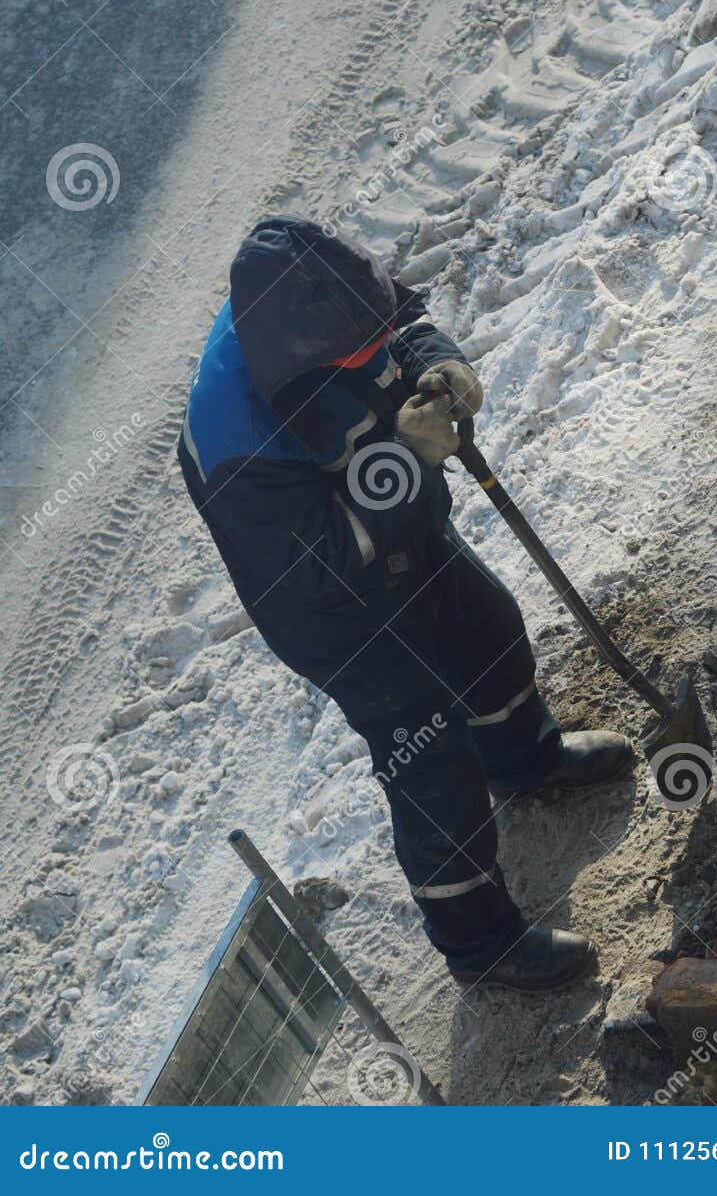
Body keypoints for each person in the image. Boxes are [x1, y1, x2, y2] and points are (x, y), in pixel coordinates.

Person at [177, 216, 633, 991]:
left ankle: (524, 762)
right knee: (429, 755)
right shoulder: (235, 440)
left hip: (405, 533)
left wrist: (439, 364)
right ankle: (480, 945)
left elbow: (406, 323)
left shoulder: (322, 295)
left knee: (488, 628)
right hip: (330, 612)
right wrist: (407, 457)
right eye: (360, 354)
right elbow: (322, 562)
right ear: (302, 358)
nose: (375, 356)